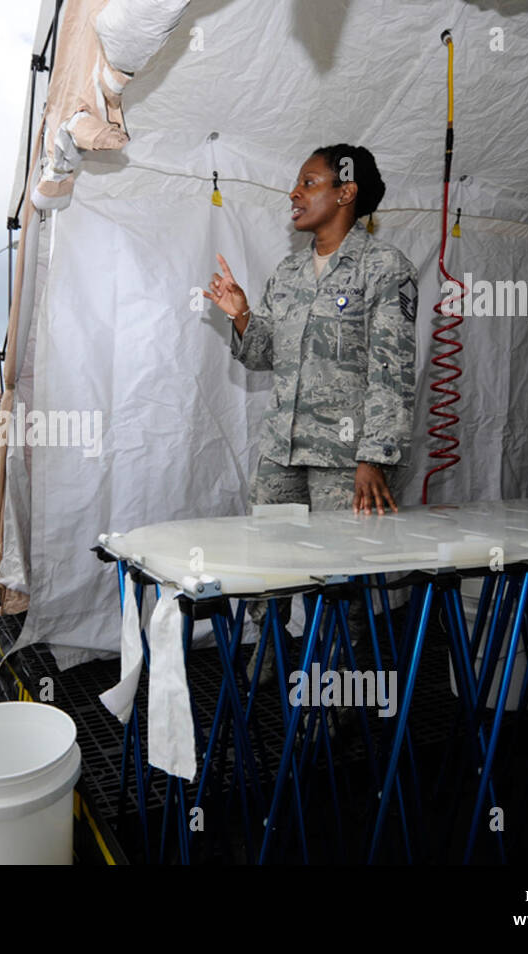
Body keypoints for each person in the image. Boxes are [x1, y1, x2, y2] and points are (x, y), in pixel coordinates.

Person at [204, 144, 417, 681]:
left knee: (342, 579)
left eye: (308, 182)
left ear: (346, 193)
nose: (293, 193)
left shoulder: (384, 267)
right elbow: (262, 356)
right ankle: (270, 653)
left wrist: (374, 458)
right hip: (283, 453)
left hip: (347, 461)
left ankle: (341, 685)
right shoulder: (289, 271)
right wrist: (242, 313)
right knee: (269, 566)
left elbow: (393, 369)